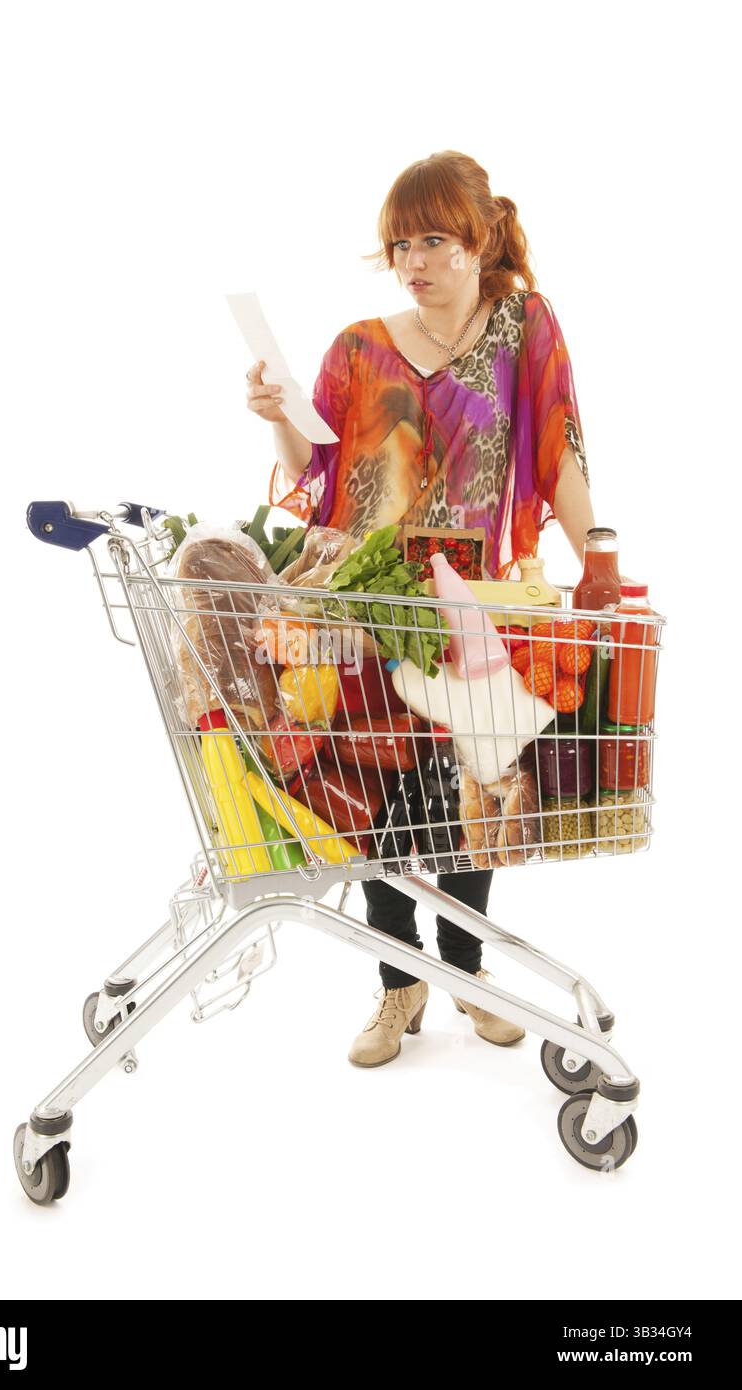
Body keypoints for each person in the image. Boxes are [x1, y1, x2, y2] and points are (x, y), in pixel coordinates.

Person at [246, 150, 595, 1067]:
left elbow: (558, 450)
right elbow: (313, 470)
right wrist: (276, 413)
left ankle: (468, 974)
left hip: (473, 607)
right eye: (400, 245)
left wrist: (596, 554)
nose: (415, 261)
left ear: (479, 239)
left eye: (435, 240)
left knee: (468, 793)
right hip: (366, 602)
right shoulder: (358, 347)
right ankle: (398, 987)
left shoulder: (524, 325)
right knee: (378, 802)